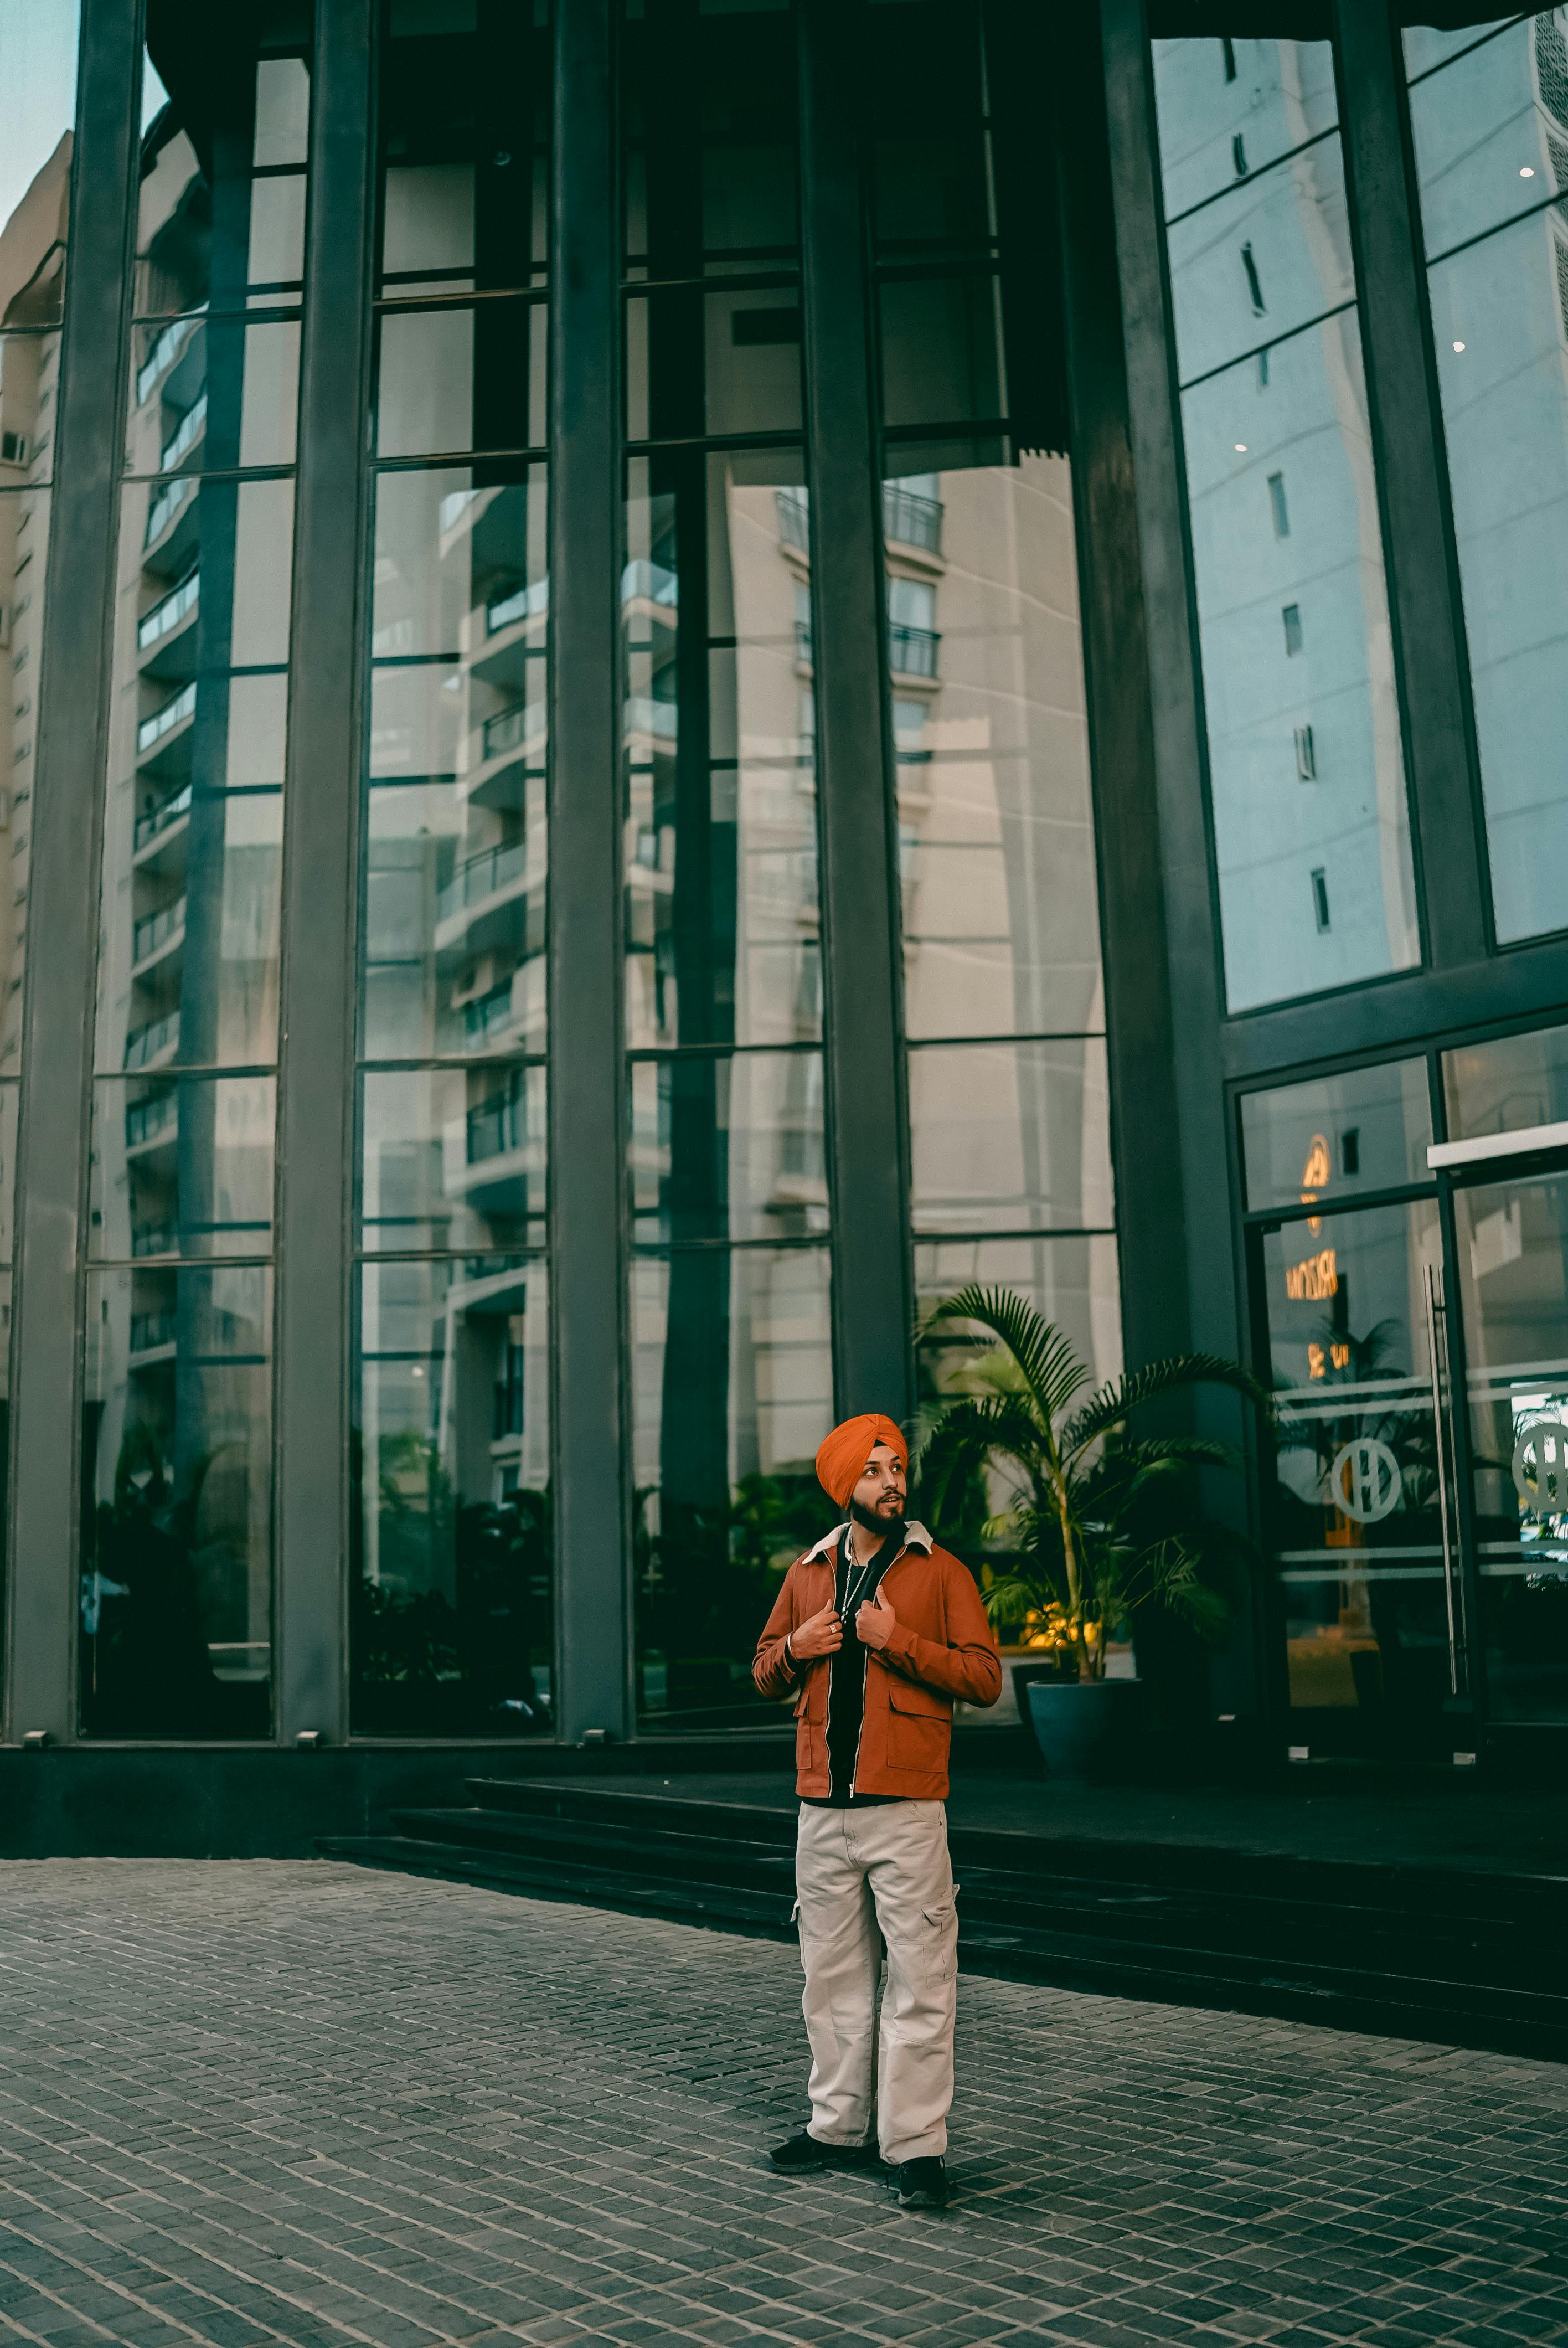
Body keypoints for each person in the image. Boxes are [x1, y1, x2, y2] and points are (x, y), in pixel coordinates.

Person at [753, 1412, 1002, 2210]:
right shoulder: (807, 1572)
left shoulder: (941, 1571)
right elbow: (762, 1669)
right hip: (821, 1810)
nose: (893, 1481)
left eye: (897, 1468)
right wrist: (799, 1648)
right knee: (829, 1982)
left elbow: (984, 1678)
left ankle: (916, 2148)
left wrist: (898, 1641)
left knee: (922, 1982)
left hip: (907, 1809)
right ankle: (837, 2127)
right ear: (844, 1484)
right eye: (875, 1470)